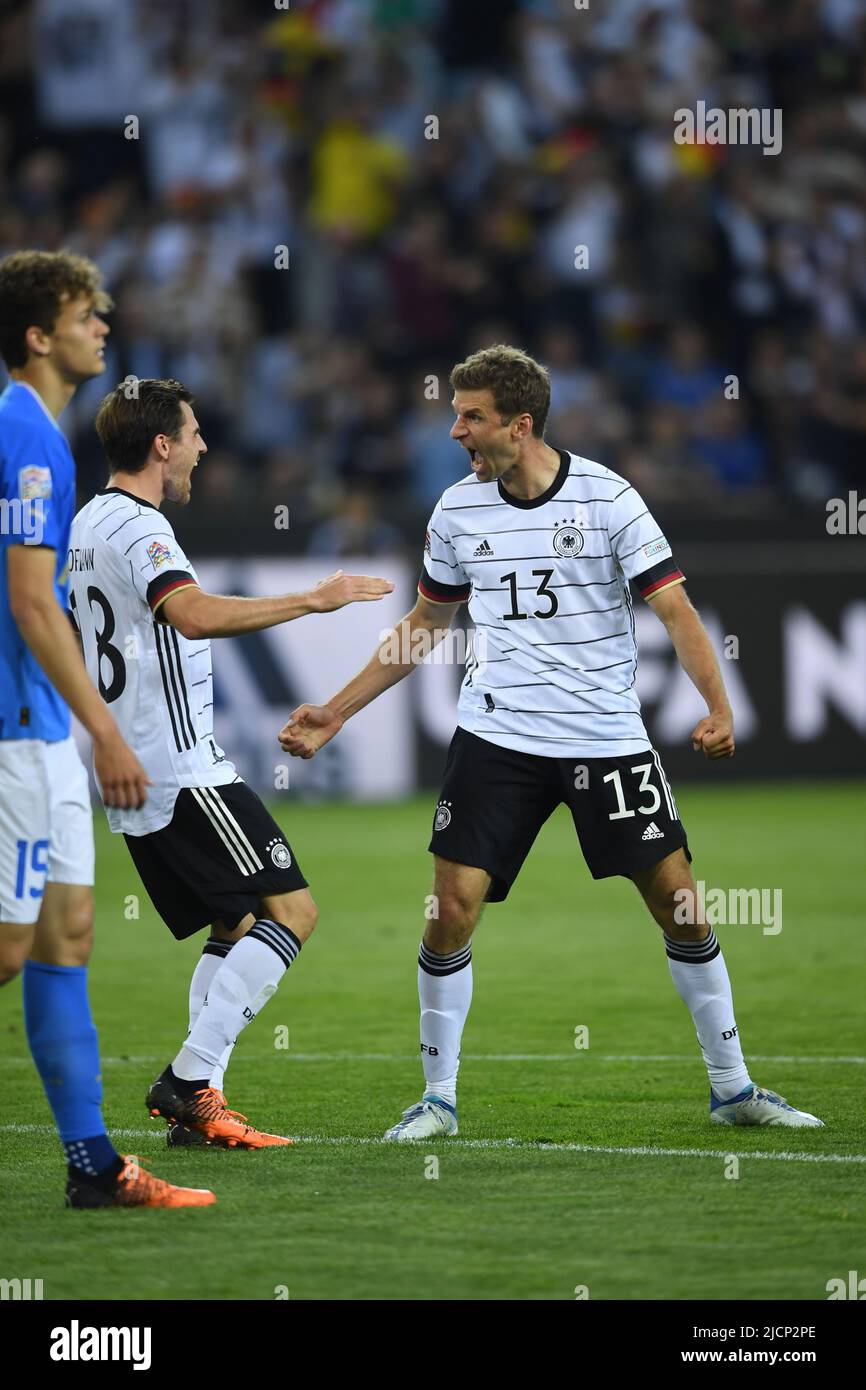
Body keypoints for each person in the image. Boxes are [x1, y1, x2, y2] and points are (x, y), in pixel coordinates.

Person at [279, 343, 823, 1140]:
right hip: (496, 736)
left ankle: (734, 1087)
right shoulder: (457, 510)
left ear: (519, 424)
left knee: (678, 906)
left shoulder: (609, 498)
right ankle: (438, 1100)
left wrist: (718, 705)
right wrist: (336, 711)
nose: (455, 430)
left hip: (606, 738)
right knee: (450, 909)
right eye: (457, 414)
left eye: (472, 417)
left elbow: (675, 609)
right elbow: (427, 624)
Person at [69, 376, 393, 1148]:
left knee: (235, 920)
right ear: (161, 446)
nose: (203, 447)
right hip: (182, 768)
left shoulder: (86, 523)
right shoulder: (140, 529)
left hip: (136, 768)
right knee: (293, 913)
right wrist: (317, 598)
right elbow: (193, 613)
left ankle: (202, 1105)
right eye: (193, 433)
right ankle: (188, 1080)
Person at [0, 250, 214, 1207]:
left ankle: (95, 1168)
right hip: (22, 730)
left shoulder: (40, 434)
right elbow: (34, 606)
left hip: (44, 731)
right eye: (89, 314)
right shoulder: (26, 435)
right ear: (40, 333)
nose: (105, 328)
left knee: (67, 936)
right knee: (13, 948)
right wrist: (106, 731)